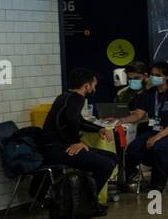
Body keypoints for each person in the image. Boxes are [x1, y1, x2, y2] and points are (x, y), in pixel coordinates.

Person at [41, 68, 117, 208]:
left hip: (53, 147)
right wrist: (75, 142)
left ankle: (83, 197)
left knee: (112, 157)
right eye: (93, 84)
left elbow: (79, 121)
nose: (94, 87)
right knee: (106, 164)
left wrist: (99, 129)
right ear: (86, 85)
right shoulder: (77, 98)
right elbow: (71, 120)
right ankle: (85, 203)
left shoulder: (64, 96)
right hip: (57, 149)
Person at [121, 61, 168, 192]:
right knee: (134, 149)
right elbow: (138, 114)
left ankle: (158, 184)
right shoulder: (150, 94)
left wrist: (157, 137)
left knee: (158, 146)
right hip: (158, 130)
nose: (153, 77)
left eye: (157, 75)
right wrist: (119, 120)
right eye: (152, 74)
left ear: (167, 77)